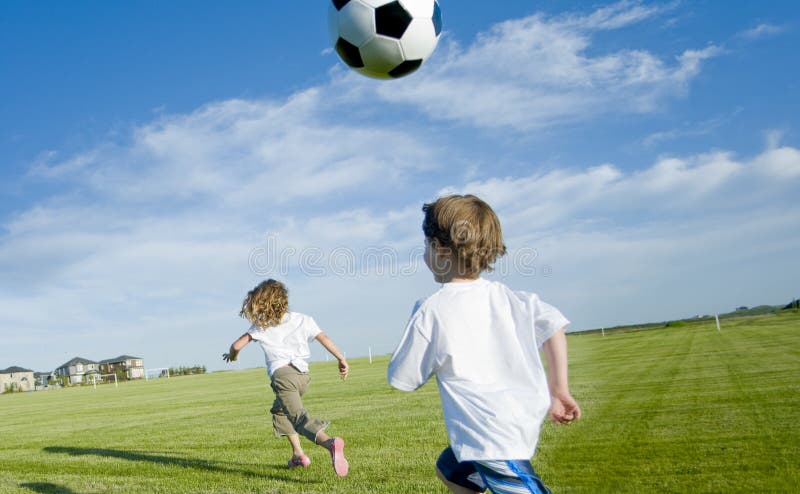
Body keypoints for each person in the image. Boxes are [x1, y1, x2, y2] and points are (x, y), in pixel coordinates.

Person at [388, 194, 581, 494]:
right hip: (498, 425)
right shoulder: (512, 298)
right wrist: (559, 390)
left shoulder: (432, 308)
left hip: (491, 436)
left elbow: (403, 379)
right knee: (451, 472)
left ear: (438, 250)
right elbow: (554, 325)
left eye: (425, 244)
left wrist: (418, 324)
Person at [223, 279, 350, 477]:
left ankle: (330, 443)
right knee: (280, 411)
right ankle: (298, 455)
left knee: (298, 418)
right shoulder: (303, 319)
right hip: (302, 376)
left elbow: (236, 346)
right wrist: (341, 359)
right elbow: (324, 338)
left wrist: (232, 356)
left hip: (283, 377)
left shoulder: (261, 325)